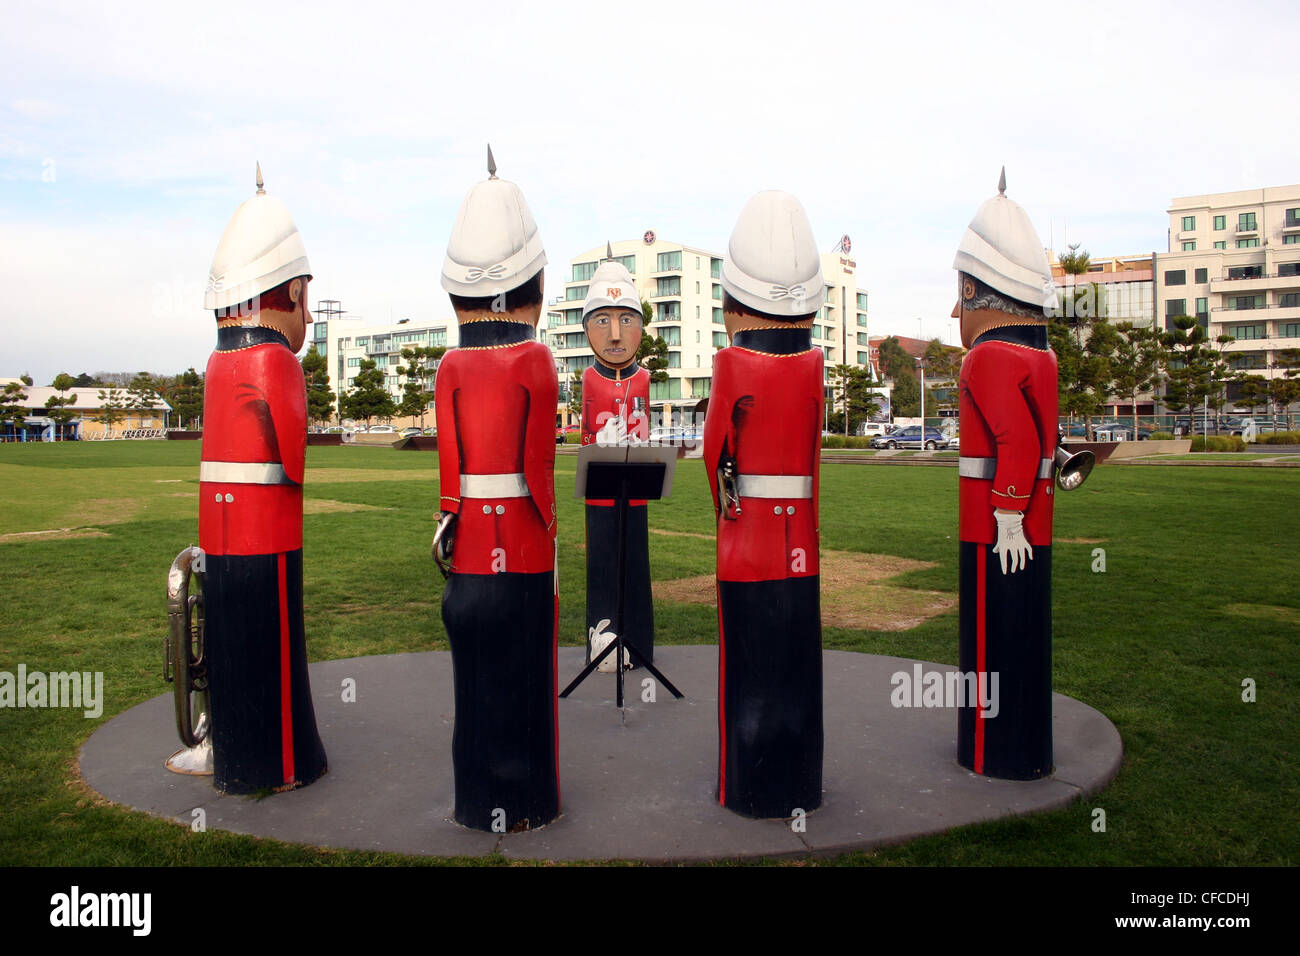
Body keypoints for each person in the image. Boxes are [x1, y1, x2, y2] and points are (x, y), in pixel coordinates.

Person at [433, 148, 560, 831]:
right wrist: (547, 527)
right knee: (524, 676)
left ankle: (477, 799)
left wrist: (451, 519)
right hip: (523, 540)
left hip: (468, 537)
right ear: (532, 284)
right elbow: (538, 466)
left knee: (476, 678)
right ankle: (528, 800)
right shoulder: (536, 359)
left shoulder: (450, 364)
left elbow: (450, 470)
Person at [198, 164, 327, 794]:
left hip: (221, 537)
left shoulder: (217, 364)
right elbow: (295, 465)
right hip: (270, 541)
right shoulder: (278, 362)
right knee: (273, 651)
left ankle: (235, 752)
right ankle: (279, 762)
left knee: (231, 644)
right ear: (293, 293)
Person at [703, 190, 825, 818]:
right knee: (798, 666)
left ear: (732, 305)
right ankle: (800, 782)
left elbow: (714, 449)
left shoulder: (732, 365)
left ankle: (747, 786)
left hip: (746, 537)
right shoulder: (815, 367)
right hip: (799, 538)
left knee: (747, 669)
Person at [951, 168, 1060, 780]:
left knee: (994, 639)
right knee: (1022, 637)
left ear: (973, 287)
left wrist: (1007, 513)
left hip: (996, 529)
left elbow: (1017, 440)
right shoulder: (1040, 355)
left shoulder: (989, 355)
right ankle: (1020, 746)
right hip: (1029, 522)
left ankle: (993, 755)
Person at [579, 252, 653, 670]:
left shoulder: (643, 379)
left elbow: (641, 427)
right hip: (600, 492)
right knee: (603, 563)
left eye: (626, 319)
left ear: (641, 326)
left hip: (636, 487)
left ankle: (639, 643)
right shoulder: (589, 378)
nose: (614, 334)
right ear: (587, 327)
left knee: (636, 565)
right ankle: (602, 640)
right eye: (601, 320)